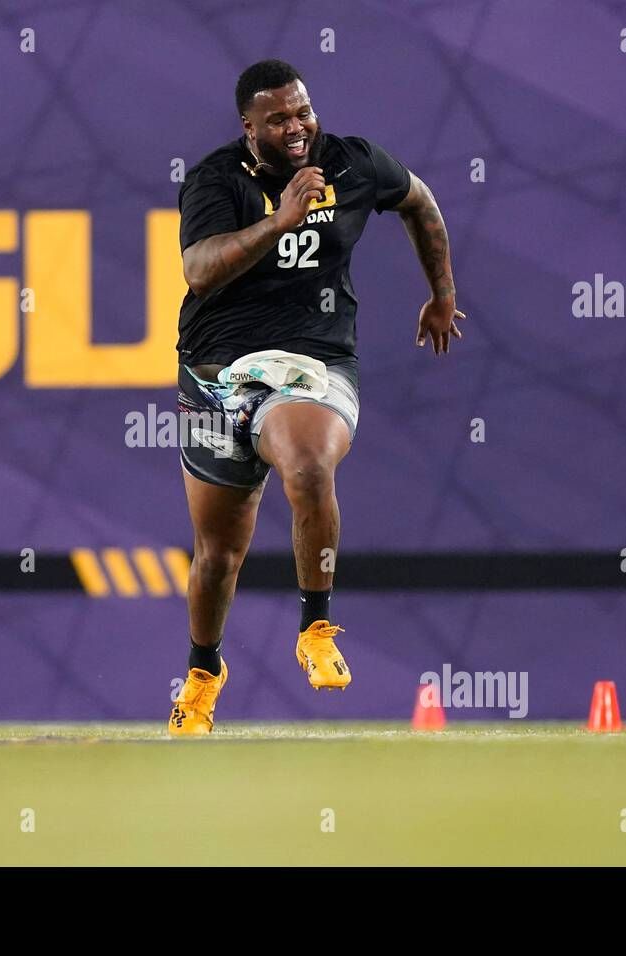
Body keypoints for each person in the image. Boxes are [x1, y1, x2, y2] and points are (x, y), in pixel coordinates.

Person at [169, 59, 465, 736]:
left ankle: (316, 626)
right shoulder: (217, 180)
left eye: (303, 111)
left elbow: (418, 200)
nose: (297, 127)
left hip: (314, 360)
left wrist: (442, 295)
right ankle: (203, 673)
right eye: (278, 119)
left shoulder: (353, 163)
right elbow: (199, 269)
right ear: (250, 128)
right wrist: (281, 220)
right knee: (217, 554)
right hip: (216, 372)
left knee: (307, 465)